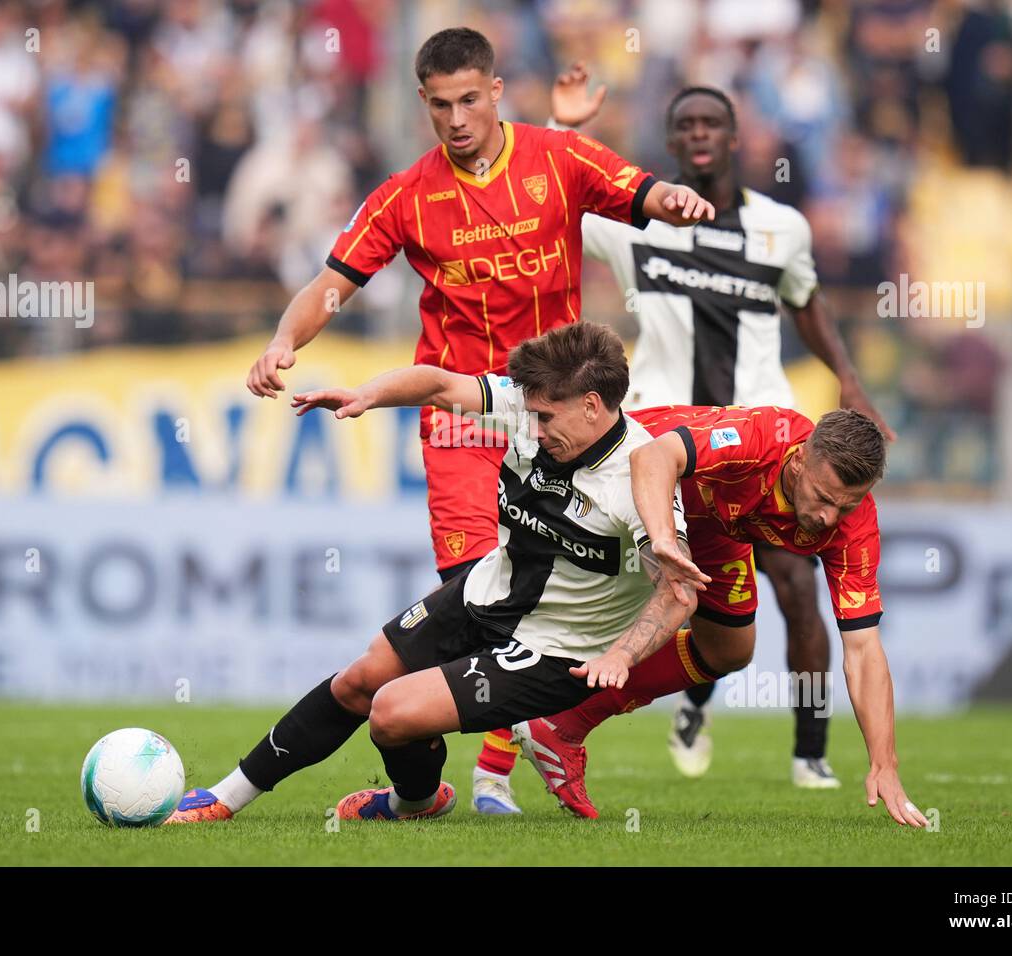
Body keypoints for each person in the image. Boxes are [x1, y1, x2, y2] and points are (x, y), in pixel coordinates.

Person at [241, 29, 712, 812]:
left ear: (495, 91)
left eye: (468, 99)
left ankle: (492, 756)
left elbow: (641, 193)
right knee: (476, 592)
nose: (456, 119)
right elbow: (335, 281)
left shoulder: (557, 159)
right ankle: (469, 763)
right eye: (439, 105)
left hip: (554, 418)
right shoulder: (405, 195)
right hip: (463, 418)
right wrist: (286, 338)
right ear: (422, 102)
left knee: (546, 589)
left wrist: (677, 201)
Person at [472, 70, 896, 804]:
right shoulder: (644, 217)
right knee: (576, 596)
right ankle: (496, 763)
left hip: (765, 447)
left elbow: (808, 304)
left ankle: (810, 750)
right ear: (671, 142)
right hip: (663, 445)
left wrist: (849, 382)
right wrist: (565, 128)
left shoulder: (781, 229)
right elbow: (565, 191)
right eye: (685, 126)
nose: (699, 135)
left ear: (735, 139)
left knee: (777, 604)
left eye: (712, 124)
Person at [166, 323, 697, 824]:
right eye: (530, 414)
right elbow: (440, 384)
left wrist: (622, 655)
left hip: (555, 650)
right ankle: (229, 797)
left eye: (545, 419)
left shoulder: (639, 475)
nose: (533, 427)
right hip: (487, 592)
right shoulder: (528, 404)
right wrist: (367, 394)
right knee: (360, 681)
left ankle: (410, 799)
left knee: (391, 712)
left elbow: (677, 591)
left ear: (591, 406)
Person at [510, 404, 929, 828]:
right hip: (629, 478)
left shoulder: (853, 527)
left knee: (729, 648)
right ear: (800, 460)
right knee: (551, 609)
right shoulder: (760, 438)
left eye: (847, 505)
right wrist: (665, 544)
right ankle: (485, 753)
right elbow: (652, 457)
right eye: (823, 498)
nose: (829, 518)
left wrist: (884, 762)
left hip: (712, 524)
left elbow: (863, 650)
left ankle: (562, 726)